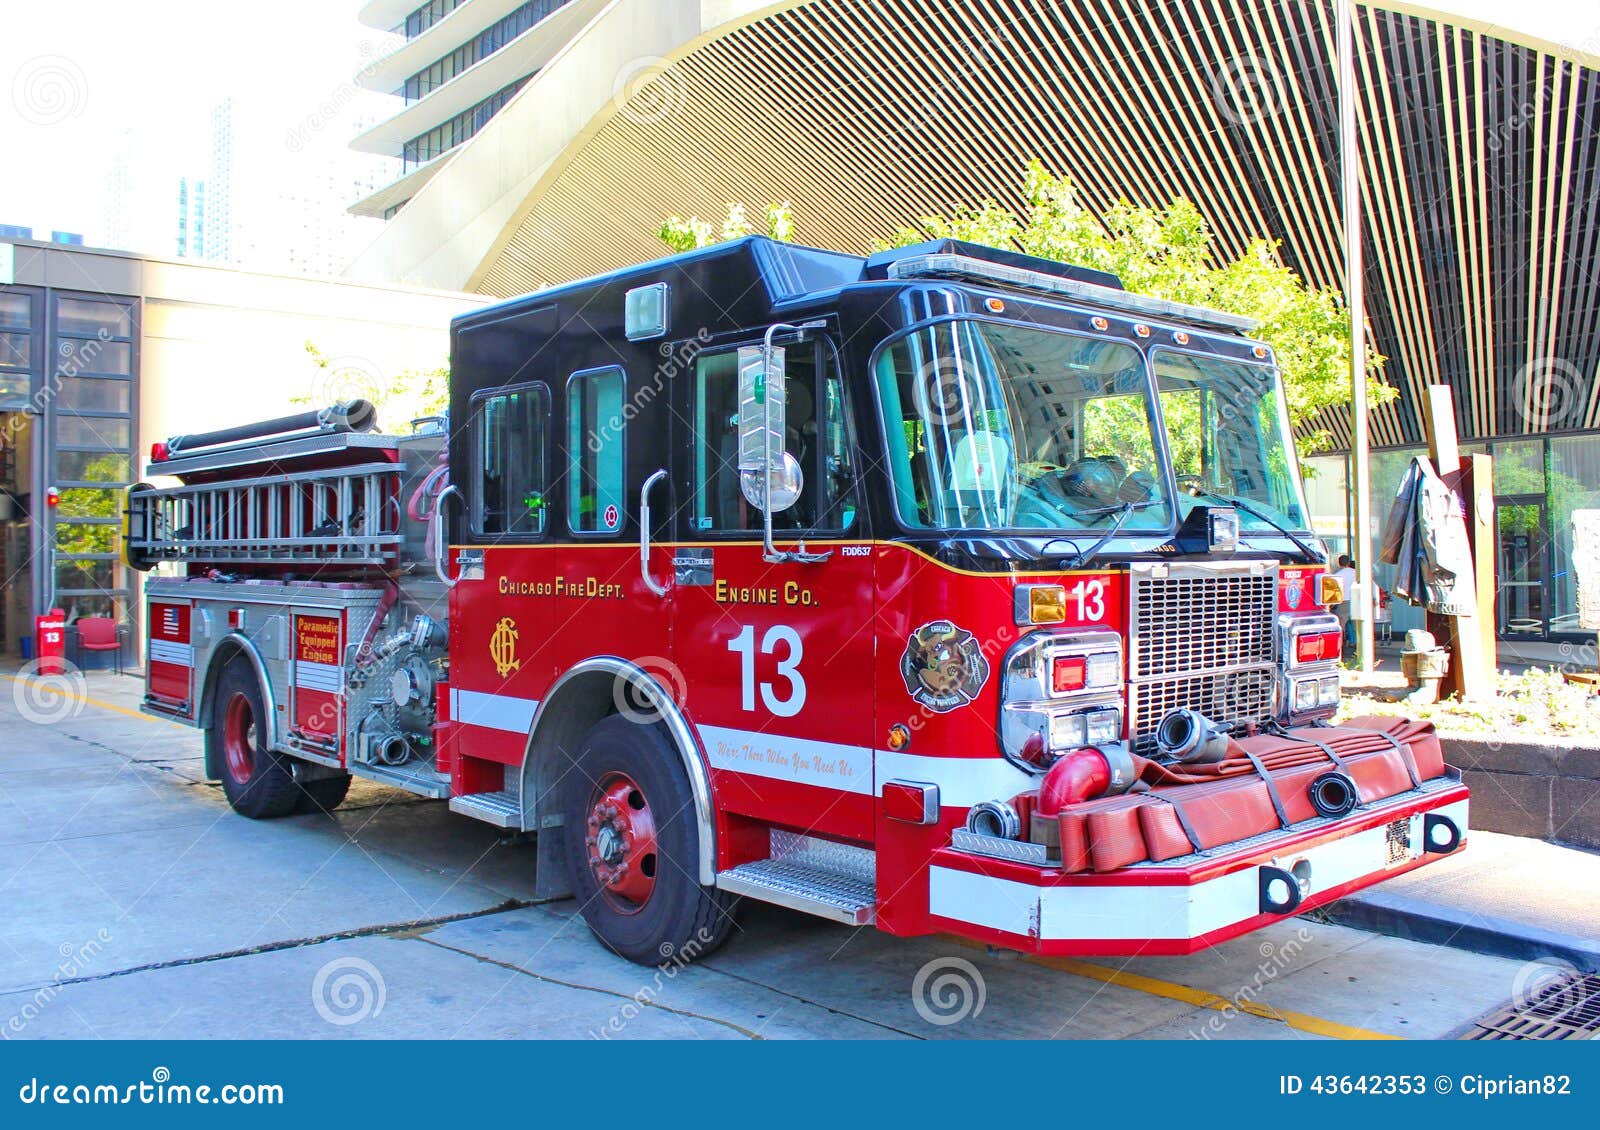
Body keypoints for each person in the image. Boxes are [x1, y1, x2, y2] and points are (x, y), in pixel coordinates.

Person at [1333, 554, 1357, 656]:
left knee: (1341, 625)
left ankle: (1340, 647)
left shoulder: (1338, 575)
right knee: (1356, 625)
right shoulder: (1356, 573)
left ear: (1339, 563)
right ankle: (1356, 644)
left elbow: (1335, 591)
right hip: (1356, 600)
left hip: (1343, 602)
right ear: (1349, 563)